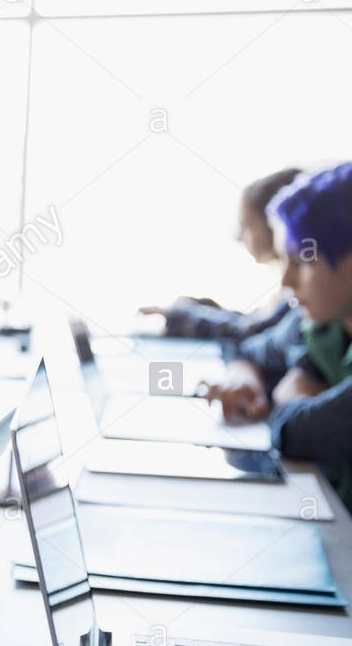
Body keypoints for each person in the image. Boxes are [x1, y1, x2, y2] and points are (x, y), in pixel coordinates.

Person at [205, 162, 352, 510]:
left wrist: (290, 393)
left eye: (302, 262)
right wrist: (244, 374)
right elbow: (246, 348)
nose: (286, 281)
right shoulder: (323, 327)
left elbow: (293, 433)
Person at [139, 167, 303, 339]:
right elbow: (255, 322)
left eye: (246, 225)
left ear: (274, 225)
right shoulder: (287, 293)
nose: (239, 237)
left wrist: (180, 314)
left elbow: (250, 330)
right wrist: (199, 306)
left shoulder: (298, 292)